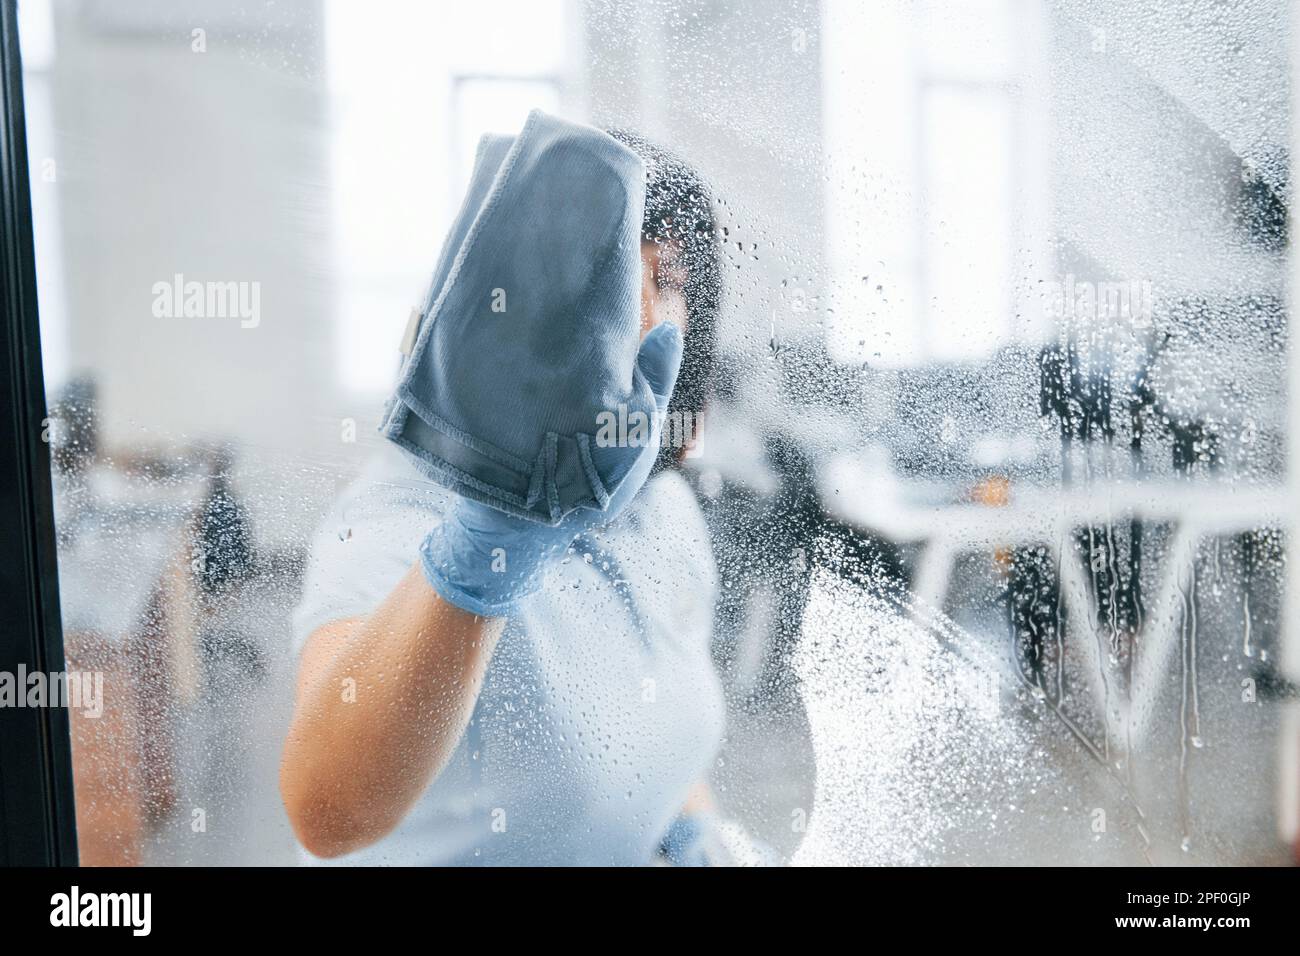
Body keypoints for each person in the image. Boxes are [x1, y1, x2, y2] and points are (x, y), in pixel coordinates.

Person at [278, 116, 731, 865]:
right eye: (611, 275)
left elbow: (659, 707)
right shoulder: (394, 522)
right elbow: (325, 815)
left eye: (670, 281)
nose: (645, 311)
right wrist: (488, 550)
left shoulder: (663, 511)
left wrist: (691, 830)